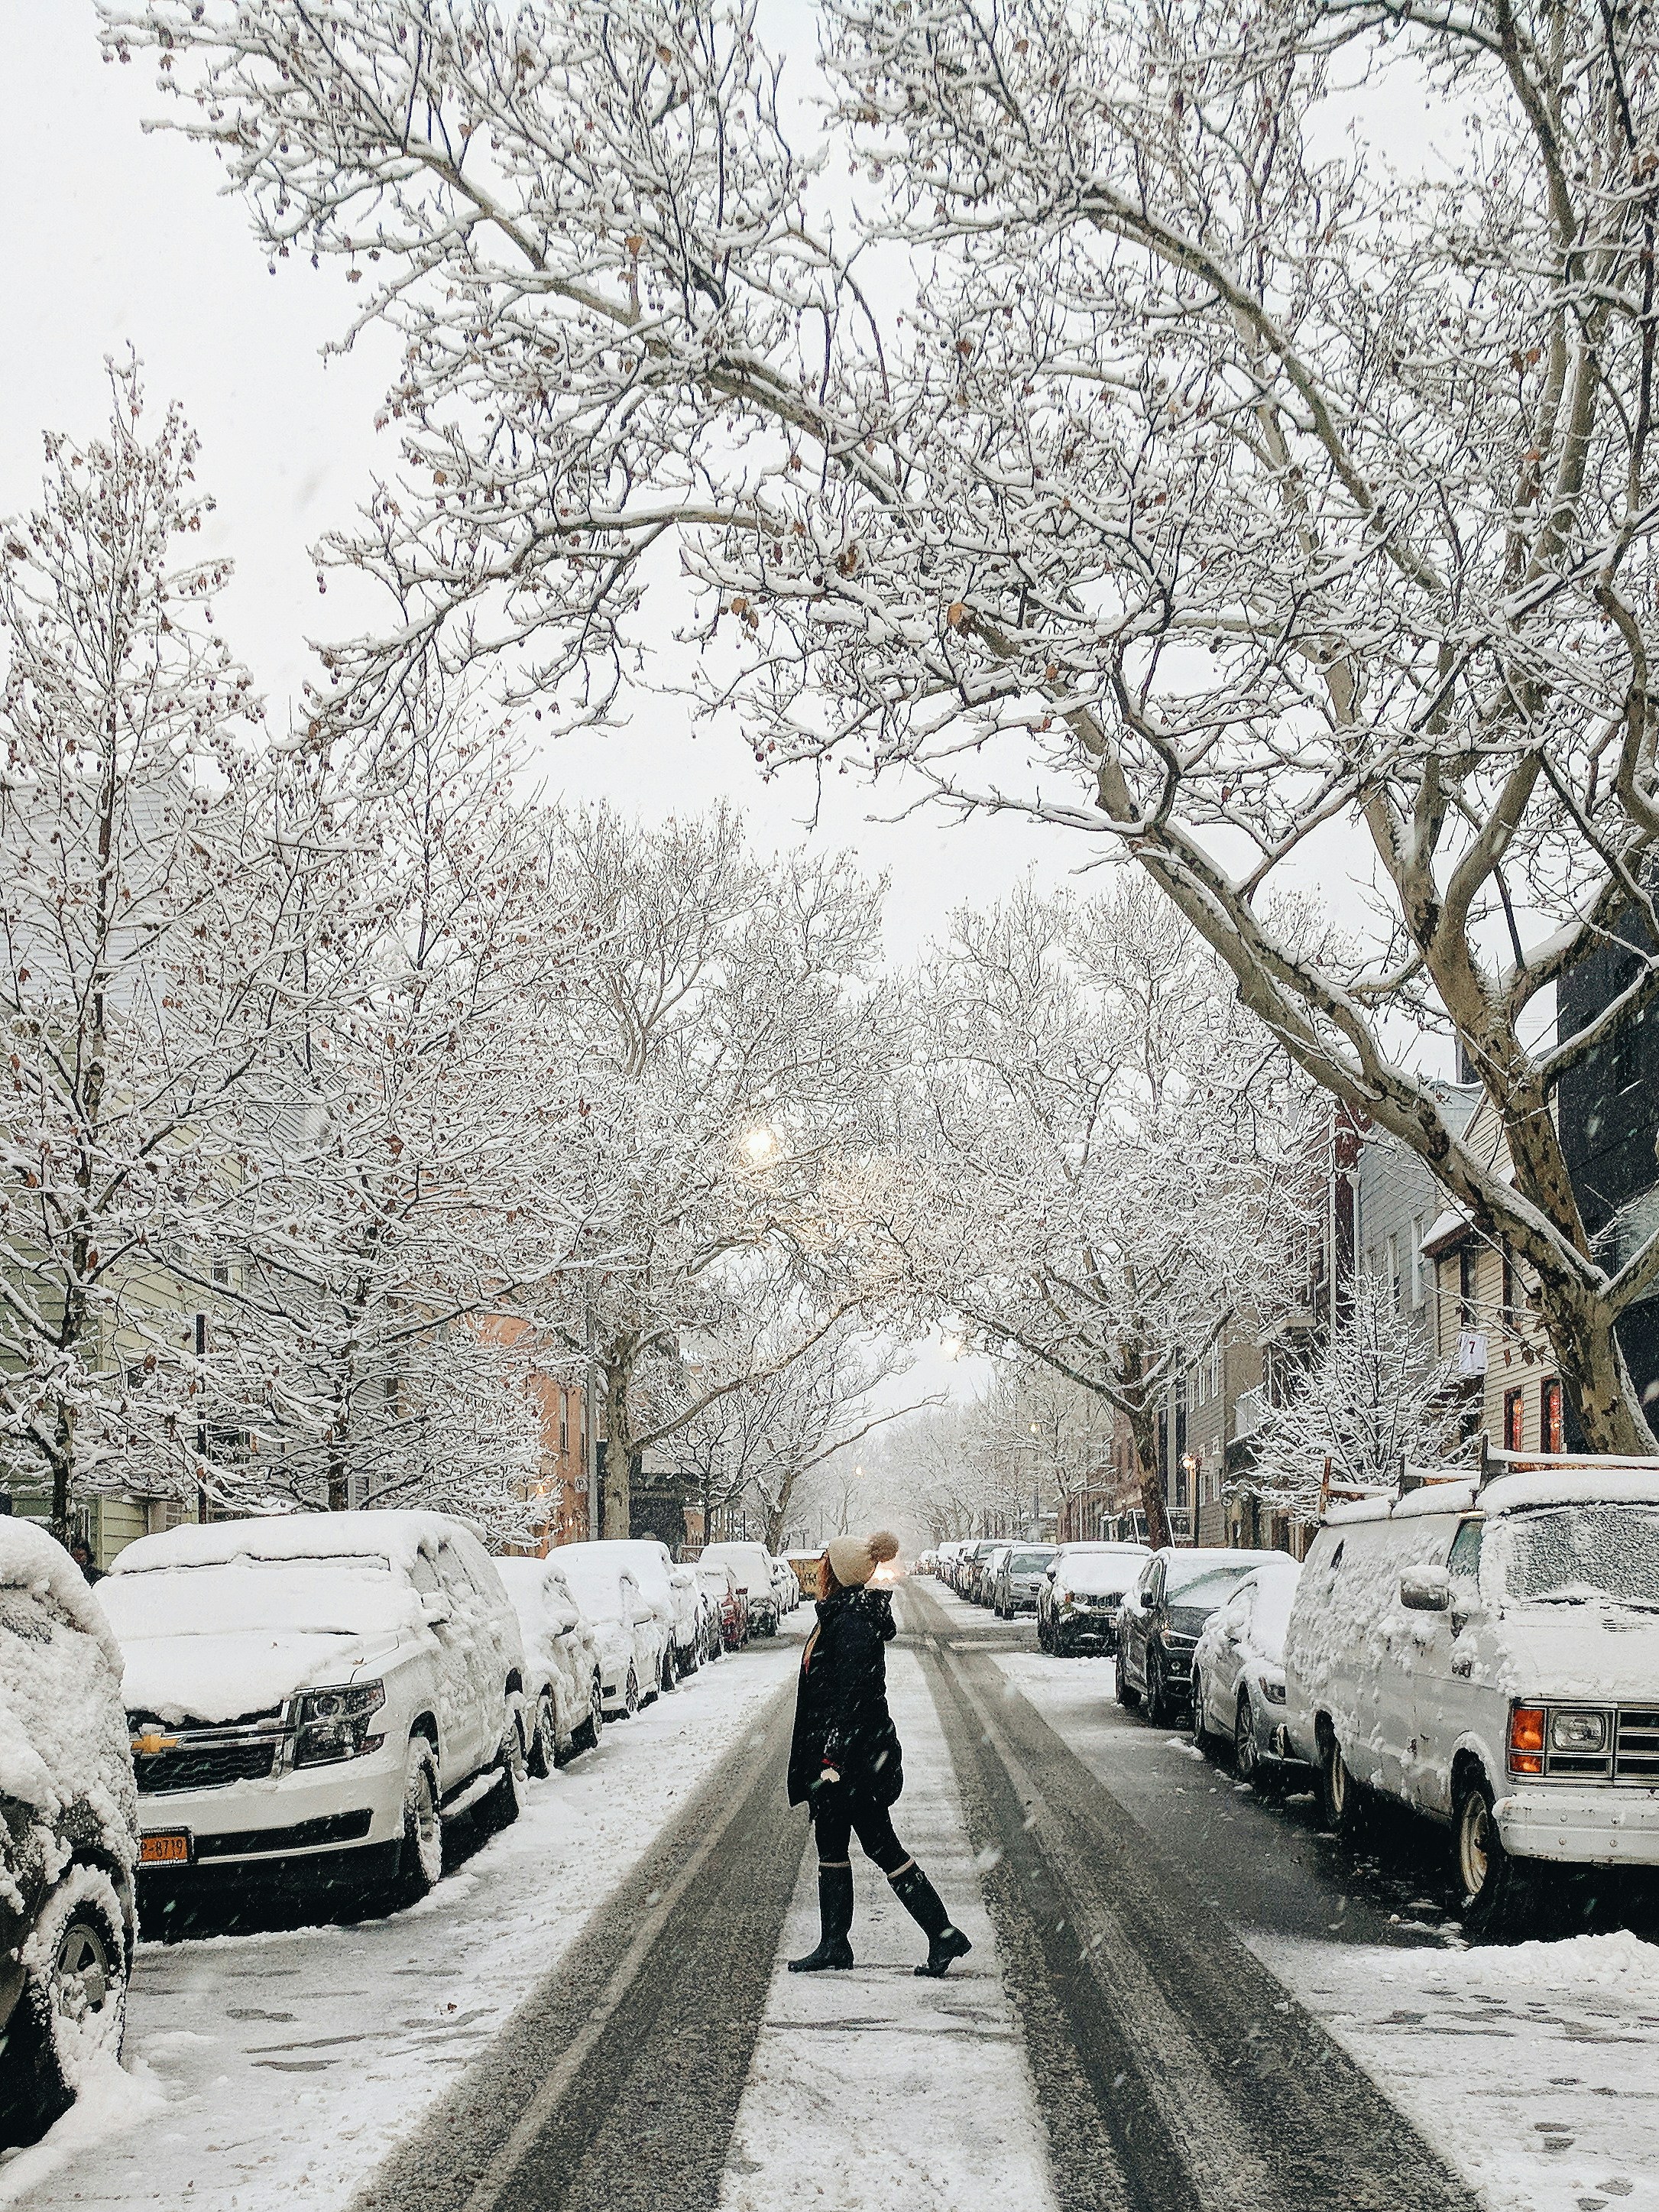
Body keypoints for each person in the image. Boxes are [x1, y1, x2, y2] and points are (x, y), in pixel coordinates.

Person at [786, 1529, 971, 1977]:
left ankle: (941, 1933)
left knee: (881, 1845)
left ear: (839, 1573)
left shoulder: (849, 1624)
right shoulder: (839, 1615)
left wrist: (831, 1760)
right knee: (835, 1846)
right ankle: (835, 1943)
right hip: (848, 1758)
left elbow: (852, 1701)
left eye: (825, 1562)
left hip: (851, 1763)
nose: (819, 1570)